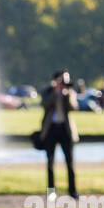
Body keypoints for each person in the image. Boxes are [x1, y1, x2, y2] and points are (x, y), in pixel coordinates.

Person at [39, 70, 79, 198]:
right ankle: (51, 193)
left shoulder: (69, 92)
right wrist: (56, 93)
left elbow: (73, 107)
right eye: (62, 80)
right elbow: (44, 105)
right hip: (51, 130)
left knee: (70, 163)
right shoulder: (48, 91)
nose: (64, 83)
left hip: (65, 130)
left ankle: (72, 192)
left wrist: (65, 95)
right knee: (50, 163)